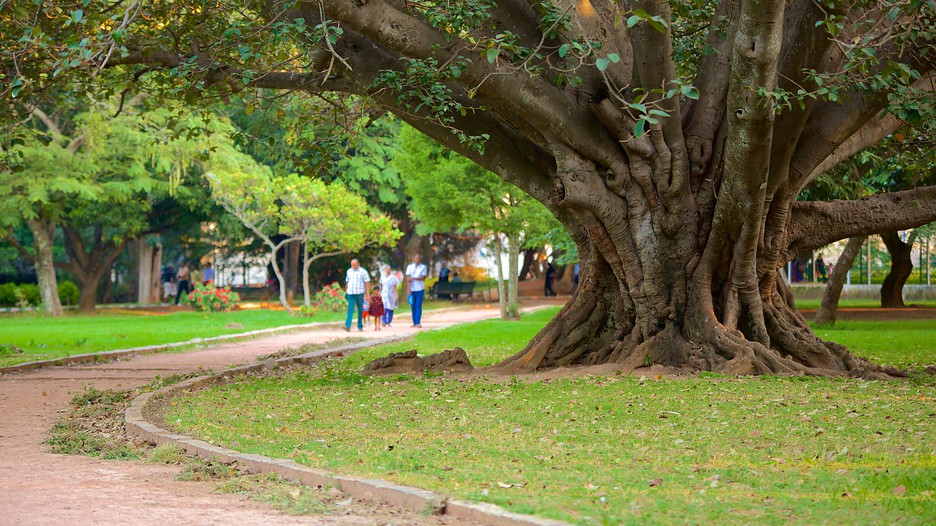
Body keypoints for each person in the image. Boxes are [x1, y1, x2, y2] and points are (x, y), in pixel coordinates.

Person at [344, 258, 370, 332]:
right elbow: (347, 281)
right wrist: (346, 291)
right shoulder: (349, 271)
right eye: (352, 265)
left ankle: (359, 326)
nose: (353, 266)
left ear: (358, 264)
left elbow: (367, 282)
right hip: (350, 293)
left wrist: (367, 294)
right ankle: (348, 326)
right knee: (350, 309)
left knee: (360, 310)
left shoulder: (363, 271)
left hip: (359, 293)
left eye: (355, 265)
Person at [405, 254, 428, 328]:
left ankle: (418, 322)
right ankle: (414, 322)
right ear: (413, 259)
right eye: (416, 258)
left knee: (418, 305)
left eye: (418, 258)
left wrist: (414, 278)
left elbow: (423, 277)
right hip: (412, 289)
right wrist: (409, 289)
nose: (417, 260)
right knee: (412, 305)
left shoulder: (423, 267)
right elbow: (408, 279)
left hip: (419, 288)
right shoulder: (410, 267)